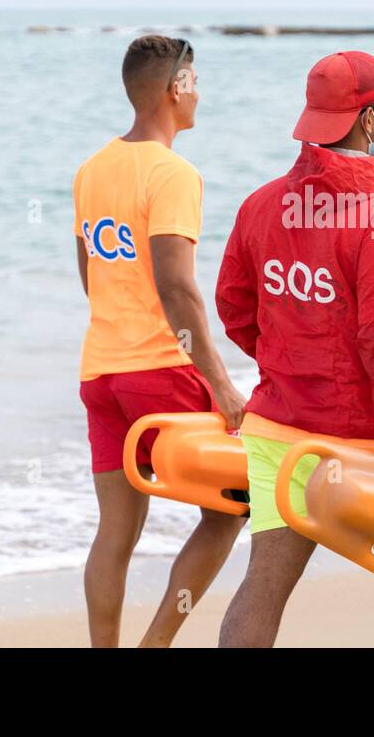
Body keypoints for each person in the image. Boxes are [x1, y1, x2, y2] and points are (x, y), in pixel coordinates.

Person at [214, 51, 374, 648]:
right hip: (364, 439)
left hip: (278, 431)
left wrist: (286, 361)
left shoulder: (262, 203)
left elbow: (234, 303)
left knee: (263, 585)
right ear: (368, 120)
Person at [73, 35, 247, 647]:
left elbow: (89, 276)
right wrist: (221, 384)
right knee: (232, 507)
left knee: (115, 532)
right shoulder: (173, 173)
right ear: (175, 89)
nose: (199, 92)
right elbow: (178, 288)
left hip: (100, 374)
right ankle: (155, 646)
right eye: (194, 80)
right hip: (160, 372)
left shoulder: (92, 169)